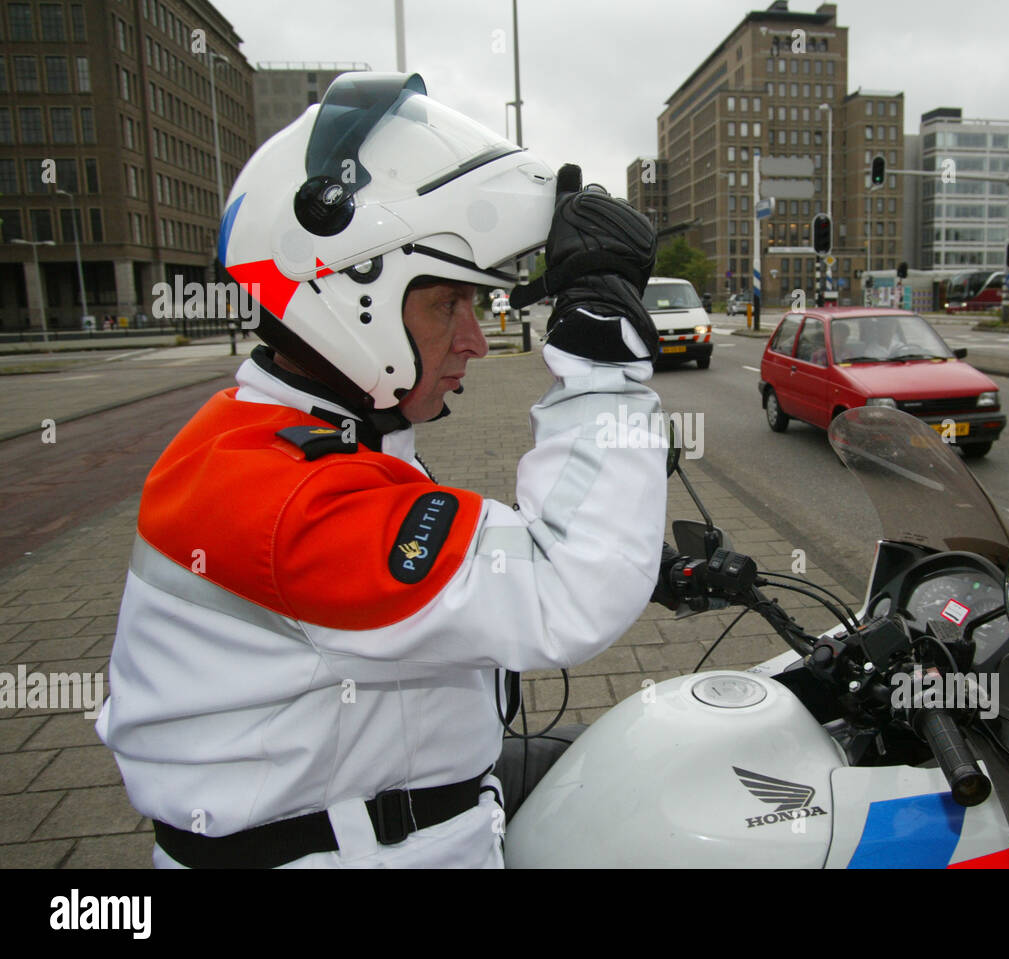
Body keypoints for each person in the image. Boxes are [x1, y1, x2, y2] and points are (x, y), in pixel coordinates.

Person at [95, 72, 667, 869]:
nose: (474, 339)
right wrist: (602, 351)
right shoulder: (291, 498)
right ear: (351, 293)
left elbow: (430, 570)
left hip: (369, 810)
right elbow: (568, 587)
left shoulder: (280, 434)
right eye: (448, 305)